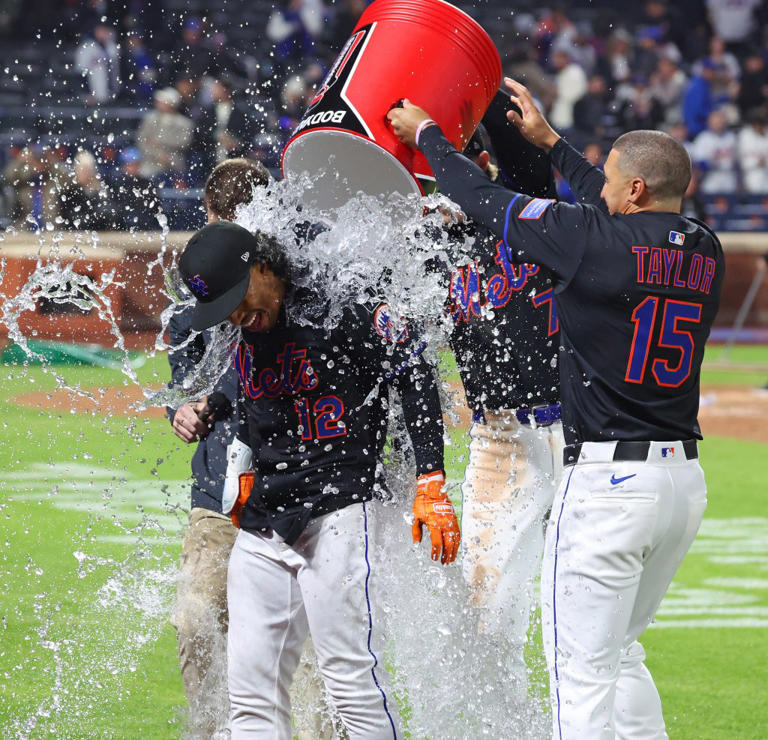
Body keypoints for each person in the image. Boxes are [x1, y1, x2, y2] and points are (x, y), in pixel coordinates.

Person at [388, 78, 724, 739]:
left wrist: (426, 133)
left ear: (630, 191)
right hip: (677, 478)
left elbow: (486, 196)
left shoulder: (585, 236)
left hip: (602, 470)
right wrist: (556, 144)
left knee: (579, 670)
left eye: (611, 182)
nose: (596, 189)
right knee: (614, 650)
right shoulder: (701, 247)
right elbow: (628, 193)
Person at [177, 218, 457, 738]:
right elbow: (249, 371)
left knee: (351, 685)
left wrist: (430, 477)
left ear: (262, 265)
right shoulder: (253, 320)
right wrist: (213, 404)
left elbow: (413, 367)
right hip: (264, 519)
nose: (238, 315)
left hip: (341, 510)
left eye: (241, 298)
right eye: (226, 310)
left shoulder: (341, 293)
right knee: (250, 697)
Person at [169, 158, 339, 739]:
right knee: (196, 618)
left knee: (326, 658)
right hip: (222, 492)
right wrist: (186, 410)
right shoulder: (194, 288)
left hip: (306, 488)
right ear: (210, 221)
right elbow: (184, 385)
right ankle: (212, 732)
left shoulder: (310, 275)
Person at [444, 104, 564, 701]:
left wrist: (478, 94)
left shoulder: (528, 207)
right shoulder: (425, 242)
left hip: (579, 433)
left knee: (588, 618)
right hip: (498, 441)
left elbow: (525, 157)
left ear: (483, 164)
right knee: (487, 616)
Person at [136, 87, 193, 179]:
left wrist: (160, 141)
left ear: (171, 104)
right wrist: (156, 155)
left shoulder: (184, 123)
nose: (158, 103)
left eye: (162, 101)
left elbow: (184, 142)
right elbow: (142, 141)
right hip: (151, 162)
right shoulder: (149, 120)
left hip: (174, 162)